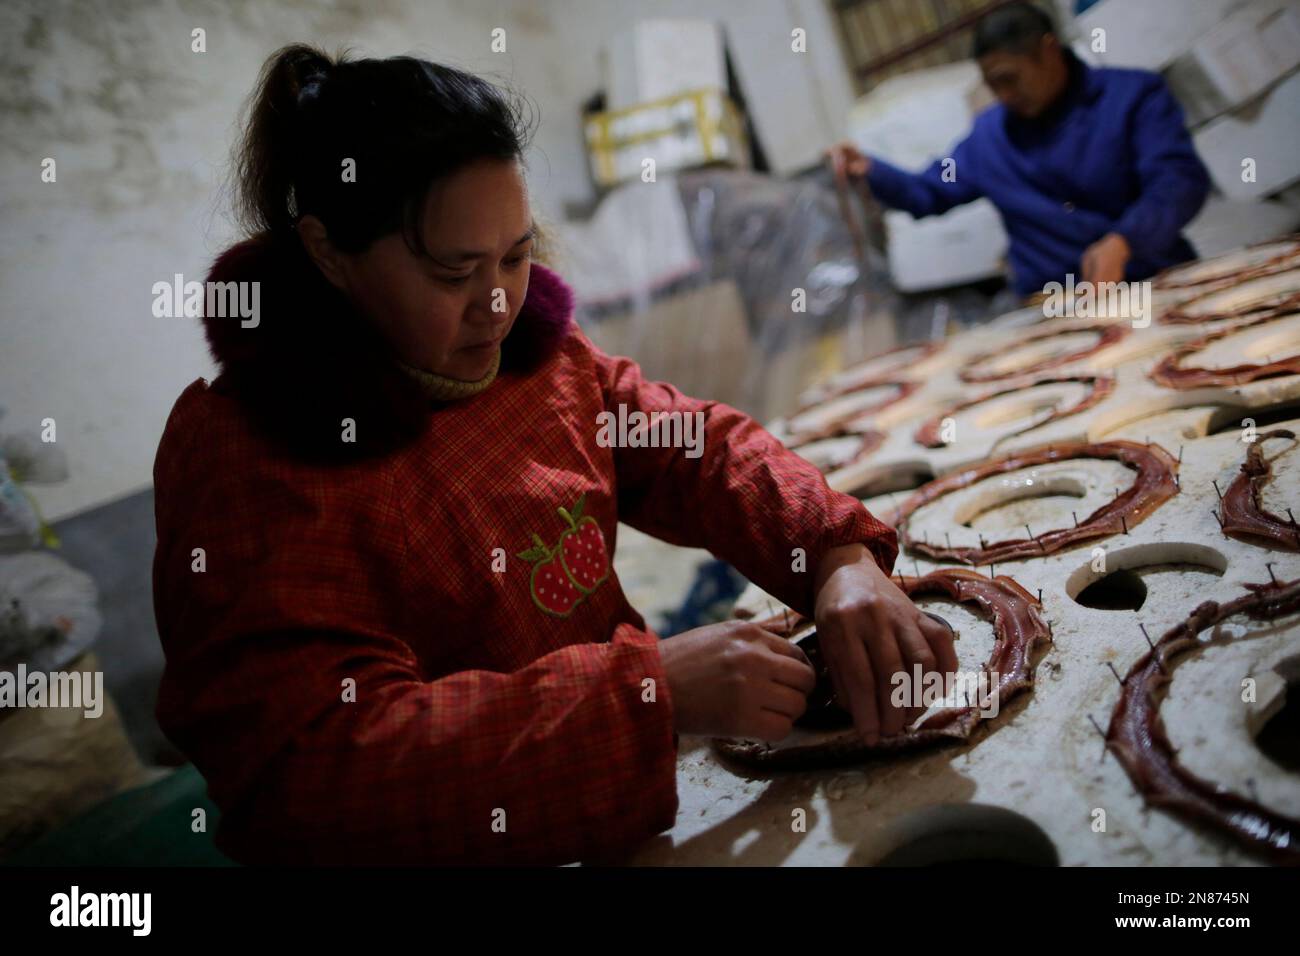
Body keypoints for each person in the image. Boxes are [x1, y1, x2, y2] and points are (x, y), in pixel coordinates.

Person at [151, 45, 958, 865]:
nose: (497, 305)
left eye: (514, 255)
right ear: (328, 253)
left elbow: (696, 450)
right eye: (453, 272)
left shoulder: (539, 362)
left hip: (619, 813)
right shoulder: (253, 465)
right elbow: (318, 771)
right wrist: (650, 693)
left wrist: (835, 553)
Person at [828, 2, 1211, 297]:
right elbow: (929, 189)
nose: (1004, 96)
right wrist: (872, 170)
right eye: (993, 85)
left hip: (1154, 288)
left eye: (1010, 79)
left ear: (1048, 50)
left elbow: (1177, 182)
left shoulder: (1131, 98)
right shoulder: (989, 138)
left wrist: (1126, 241)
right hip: (1057, 311)